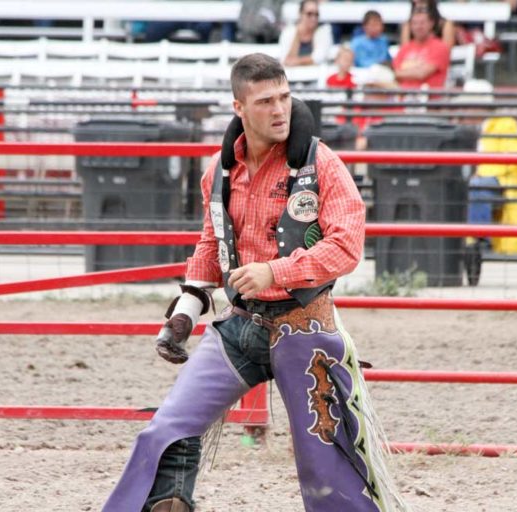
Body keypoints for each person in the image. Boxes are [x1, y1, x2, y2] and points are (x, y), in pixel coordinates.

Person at [101, 53, 407, 512]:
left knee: (330, 469)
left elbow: (346, 246)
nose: (279, 109)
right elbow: (213, 240)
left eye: (284, 96)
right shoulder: (219, 173)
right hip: (240, 326)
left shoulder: (321, 164)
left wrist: (274, 272)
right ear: (239, 107)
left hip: (306, 328)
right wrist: (187, 307)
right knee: (165, 433)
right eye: (265, 101)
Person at [393, 8, 450, 89]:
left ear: (431, 23)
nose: (418, 27)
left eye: (422, 23)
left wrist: (403, 72)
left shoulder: (440, 47)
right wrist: (417, 69)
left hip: (429, 98)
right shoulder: (405, 48)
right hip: (402, 97)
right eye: (415, 23)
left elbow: (422, 74)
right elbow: (395, 73)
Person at [279, 0, 334, 66]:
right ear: (300, 14)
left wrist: (297, 61)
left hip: (316, 74)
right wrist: (298, 34)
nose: (313, 18)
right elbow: (285, 60)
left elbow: (318, 58)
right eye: (309, 14)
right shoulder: (289, 32)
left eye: (316, 14)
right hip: (292, 75)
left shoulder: (324, 31)